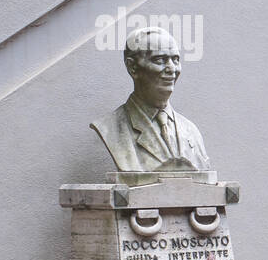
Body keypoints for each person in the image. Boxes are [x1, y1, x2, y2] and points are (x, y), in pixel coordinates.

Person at [90, 26, 211, 172]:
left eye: (176, 59)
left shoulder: (191, 131)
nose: (172, 69)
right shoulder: (110, 128)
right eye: (160, 60)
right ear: (132, 67)